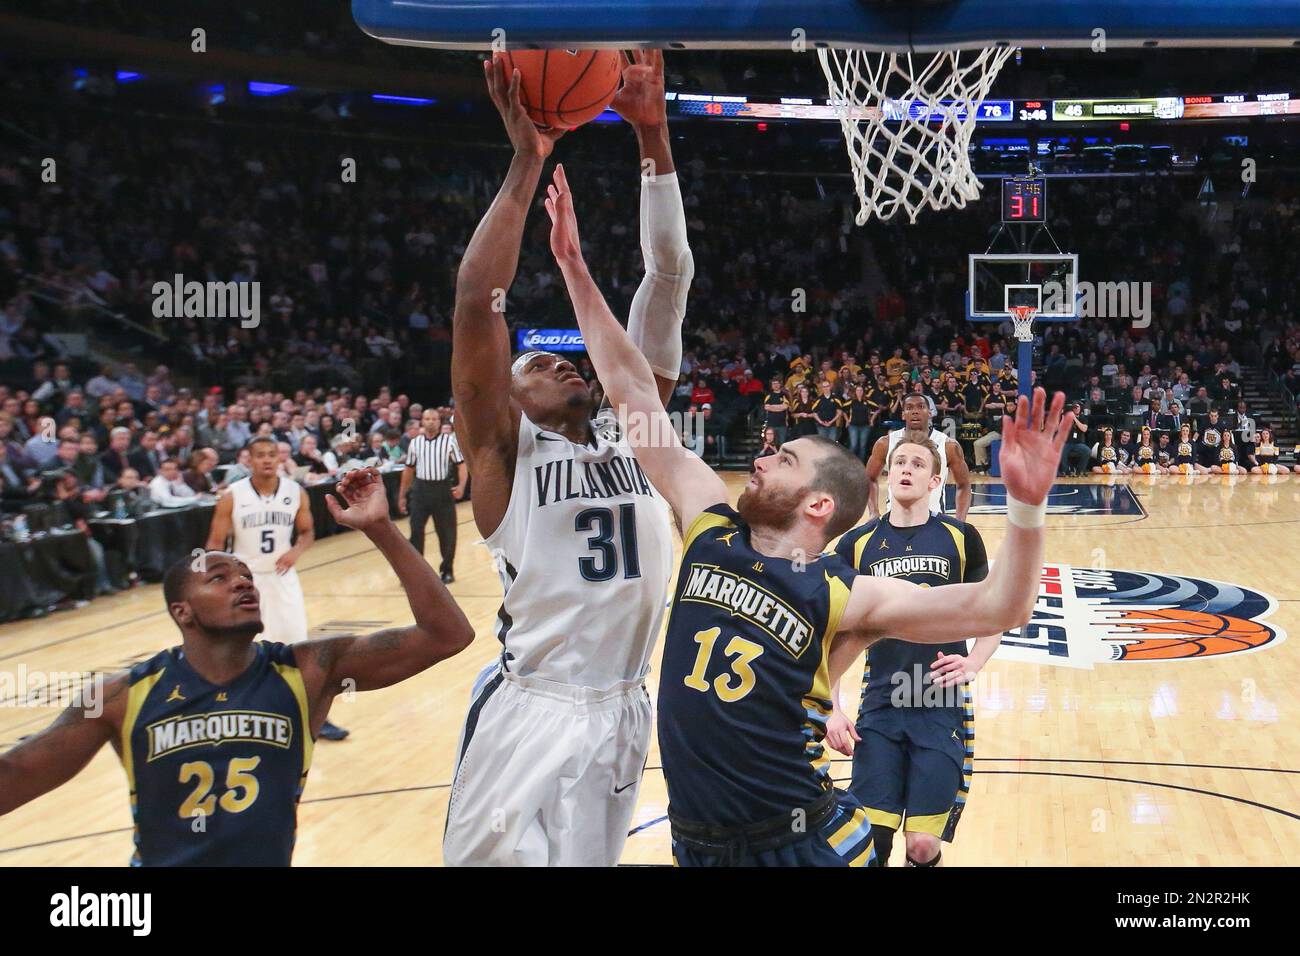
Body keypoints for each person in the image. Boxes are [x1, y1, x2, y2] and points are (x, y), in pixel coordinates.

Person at [542, 159, 1071, 867]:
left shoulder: (841, 590)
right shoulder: (710, 525)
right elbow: (635, 394)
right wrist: (574, 268)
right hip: (697, 843)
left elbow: (1000, 605)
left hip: (802, 845)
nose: (759, 462)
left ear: (820, 504)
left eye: (781, 460)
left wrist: (1028, 508)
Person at [442, 51, 687, 867]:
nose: (561, 362)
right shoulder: (504, 460)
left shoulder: (638, 436)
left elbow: (668, 275)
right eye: (535, 364)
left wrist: (652, 136)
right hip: (530, 710)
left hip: (624, 709)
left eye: (563, 357)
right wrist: (526, 161)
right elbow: (479, 302)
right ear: (506, 402)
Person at [0, 468, 473, 864]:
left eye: (246, 576)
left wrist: (380, 528)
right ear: (182, 612)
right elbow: (17, 776)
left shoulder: (309, 669)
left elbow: (447, 635)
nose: (242, 584)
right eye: (219, 578)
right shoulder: (121, 697)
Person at [826, 437, 1000, 867]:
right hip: (881, 703)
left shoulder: (961, 537)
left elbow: (993, 613)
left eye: (917, 464)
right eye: (898, 462)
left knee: (922, 845)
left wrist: (974, 661)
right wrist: (831, 705)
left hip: (940, 705)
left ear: (935, 480)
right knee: (873, 838)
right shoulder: (857, 544)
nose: (905, 469)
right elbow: (830, 633)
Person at [205, 436, 347, 741]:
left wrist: (296, 551)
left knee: (298, 649)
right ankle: (245, 716)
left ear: (279, 459)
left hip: (282, 579)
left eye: (272, 455)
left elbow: (307, 533)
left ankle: (314, 718)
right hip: (245, 583)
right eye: (260, 455)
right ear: (249, 460)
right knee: (245, 652)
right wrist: (216, 579)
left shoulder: (295, 492)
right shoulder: (231, 495)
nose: (267, 460)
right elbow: (215, 544)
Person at [864, 394, 971, 520]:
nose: (915, 411)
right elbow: (868, 479)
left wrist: (960, 520)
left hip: (934, 522)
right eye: (909, 408)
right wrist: (873, 512)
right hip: (894, 520)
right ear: (903, 414)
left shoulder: (948, 445)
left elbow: (964, 485)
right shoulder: (886, 443)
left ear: (930, 413)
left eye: (921, 407)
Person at [398, 409, 466, 583]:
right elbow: (408, 470)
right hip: (420, 490)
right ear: (422, 421)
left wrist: (461, 486)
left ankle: (447, 570)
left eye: (434, 419)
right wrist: (402, 495)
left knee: (447, 533)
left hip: (442, 490)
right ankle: (416, 572)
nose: (430, 422)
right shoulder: (415, 443)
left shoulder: (449, 441)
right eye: (427, 419)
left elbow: (461, 465)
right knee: (416, 532)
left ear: (439, 422)